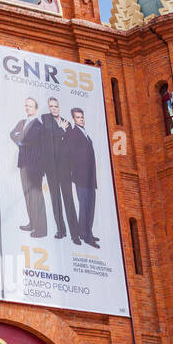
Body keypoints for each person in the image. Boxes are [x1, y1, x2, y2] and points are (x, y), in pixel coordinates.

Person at [38, 96, 76, 240]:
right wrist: (61, 130)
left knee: (69, 198)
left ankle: (74, 232)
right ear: (49, 108)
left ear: (59, 107)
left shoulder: (67, 123)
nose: (53, 109)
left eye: (56, 106)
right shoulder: (45, 119)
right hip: (51, 167)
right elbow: (49, 135)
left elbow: (70, 146)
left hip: (64, 167)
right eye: (51, 106)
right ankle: (61, 230)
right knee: (55, 198)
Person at [9, 97, 47, 237]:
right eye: (26, 106)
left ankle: (41, 230)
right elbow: (13, 134)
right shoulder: (22, 122)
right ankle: (33, 223)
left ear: (36, 109)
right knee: (27, 195)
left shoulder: (39, 126)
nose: (27, 108)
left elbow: (27, 139)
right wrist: (21, 142)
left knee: (36, 196)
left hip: (35, 166)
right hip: (23, 163)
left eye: (30, 106)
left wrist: (22, 140)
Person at [64, 106, 100, 247]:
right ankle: (86, 236)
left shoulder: (85, 133)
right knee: (85, 206)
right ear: (74, 119)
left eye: (82, 117)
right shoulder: (73, 133)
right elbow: (69, 154)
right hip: (81, 177)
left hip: (90, 177)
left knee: (90, 205)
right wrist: (74, 172)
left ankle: (86, 231)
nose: (81, 119)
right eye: (78, 117)